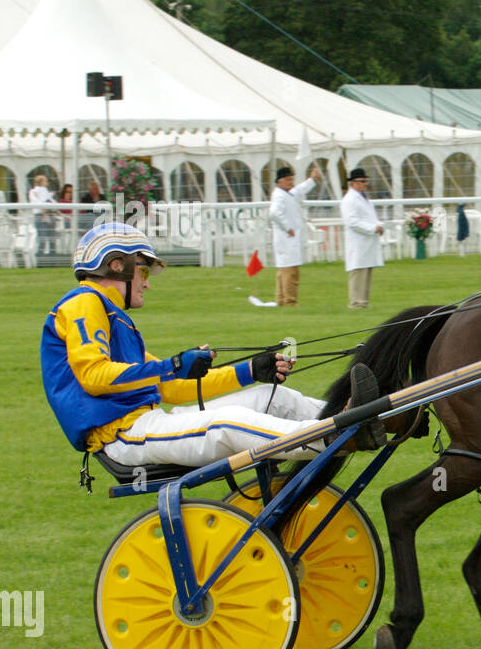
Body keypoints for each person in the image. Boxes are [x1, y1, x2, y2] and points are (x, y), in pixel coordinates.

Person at [40, 222, 382, 471]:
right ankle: (335, 436)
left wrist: (249, 372)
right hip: (122, 435)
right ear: (118, 265)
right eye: (143, 271)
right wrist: (173, 365)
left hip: (146, 422)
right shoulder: (85, 302)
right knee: (228, 423)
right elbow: (94, 377)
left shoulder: (112, 315)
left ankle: (357, 415)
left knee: (271, 397)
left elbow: (171, 387)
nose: (147, 282)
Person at [269, 164, 321, 306]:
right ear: (280, 181)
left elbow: (299, 190)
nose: (291, 183)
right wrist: (287, 227)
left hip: (287, 239)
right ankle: (290, 300)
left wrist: (312, 179)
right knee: (290, 271)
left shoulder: (288, 193)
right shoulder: (279, 195)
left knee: (284, 270)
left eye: (292, 180)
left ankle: (281, 298)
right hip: (286, 238)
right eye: (288, 180)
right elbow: (274, 213)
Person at [340, 167, 384, 309]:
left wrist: (378, 226)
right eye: (362, 181)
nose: (365, 183)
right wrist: (372, 228)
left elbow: (369, 217)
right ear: (354, 182)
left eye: (366, 181)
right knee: (358, 271)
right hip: (358, 242)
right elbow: (352, 221)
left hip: (367, 241)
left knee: (366, 272)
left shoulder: (365, 198)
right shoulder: (349, 199)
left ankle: (363, 301)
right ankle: (356, 302)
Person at [29, 174, 57, 255]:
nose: (47, 183)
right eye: (45, 181)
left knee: (51, 236)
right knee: (42, 237)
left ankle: (52, 256)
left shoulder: (44, 191)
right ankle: (41, 257)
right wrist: (45, 207)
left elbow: (51, 201)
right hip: (40, 215)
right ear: (40, 182)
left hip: (49, 214)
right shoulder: (34, 191)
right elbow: (39, 202)